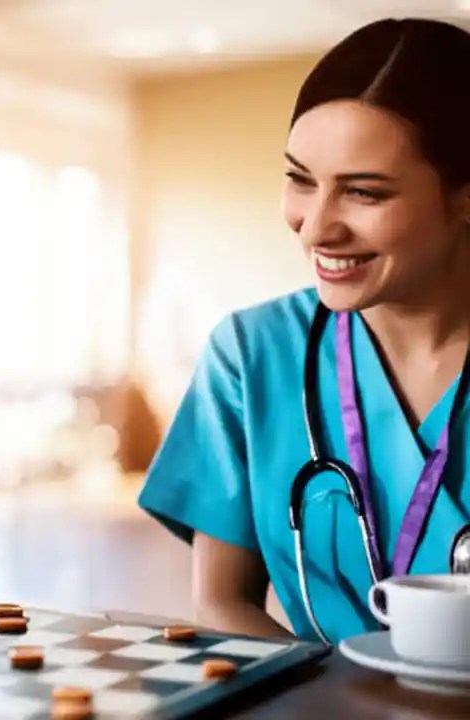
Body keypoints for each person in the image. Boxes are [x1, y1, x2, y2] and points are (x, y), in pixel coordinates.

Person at [139, 18, 470, 644]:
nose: (316, 228)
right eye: (299, 179)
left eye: (365, 193)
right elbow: (219, 601)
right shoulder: (252, 355)